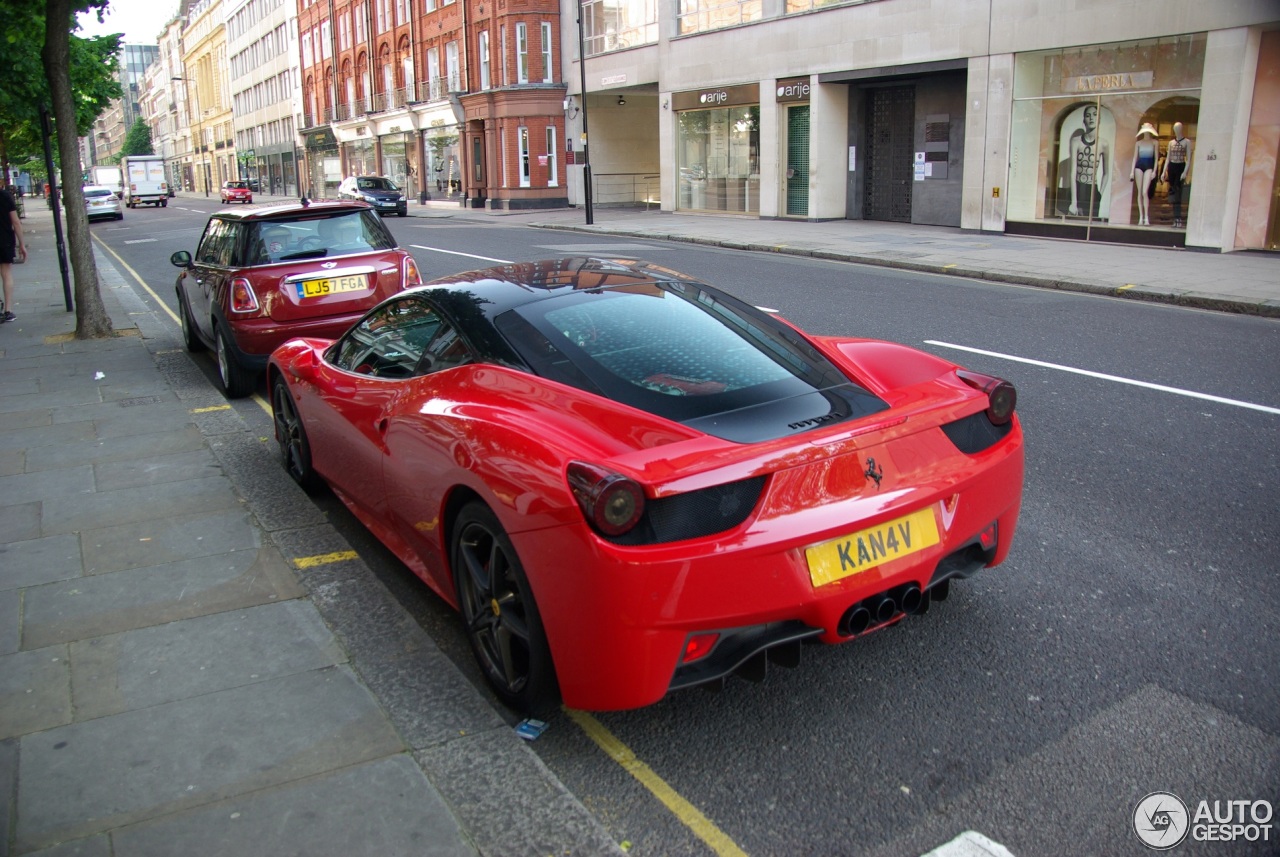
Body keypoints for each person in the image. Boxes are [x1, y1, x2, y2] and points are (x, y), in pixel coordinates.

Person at [1069, 104, 1110, 218]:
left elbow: (1106, 173)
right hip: (1078, 188)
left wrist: (1100, 194)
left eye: (1095, 115)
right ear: (1084, 120)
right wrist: (1074, 201)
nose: (1091, 118)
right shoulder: (1075, 141)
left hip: (1093, 190)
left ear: (1099, 120)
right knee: (1075, 225)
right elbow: (1073, 172)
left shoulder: (1103, 144)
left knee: (1092, 224)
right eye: (1088, 116)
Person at [1161, 121, 1193, 228]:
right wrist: (1164, 171)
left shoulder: (1187, 142)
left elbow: (1188, 159)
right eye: (1175, 129)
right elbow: (1168, 158)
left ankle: (1178, 217)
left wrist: (1185, 171)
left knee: (1178, 193)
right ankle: (1175, 217)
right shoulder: (1171, 143)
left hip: (1180, 166)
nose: (1177, 131)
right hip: (1172, 166)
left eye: (1178, 128)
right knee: (1173, 193)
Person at [0, 185, 25, 322]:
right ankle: (8, 311)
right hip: (4, 240)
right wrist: (21, 244)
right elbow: (15, 222)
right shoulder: (5, 196)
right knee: (6, 273)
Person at [1131, 123, 1159, 226]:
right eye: (1145, 131)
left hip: (1149, 166)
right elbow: (1135, 157)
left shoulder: (1155, 142)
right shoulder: (1138, 143)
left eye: (1148, 131)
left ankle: (1146, 217)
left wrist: (1155, 171)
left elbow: (1156, 158)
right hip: (1139, 166)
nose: (1146, 133)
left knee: (1144, 192)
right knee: (1139, 192)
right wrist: (1131, 171)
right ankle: (1141, 216)